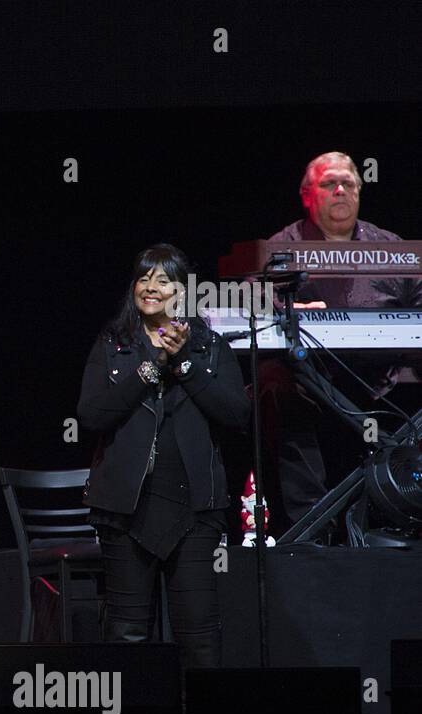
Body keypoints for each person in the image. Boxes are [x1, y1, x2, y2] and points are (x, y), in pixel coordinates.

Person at [78, 244, 250, 668]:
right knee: (128, 633)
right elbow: (91, 415)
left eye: (164, 279)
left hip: (194, 509)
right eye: (144, 277)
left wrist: (184, 364)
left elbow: (236, 415)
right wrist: (151, 367)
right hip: (125, 509)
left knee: (199, 635)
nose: (151, 287)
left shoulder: (210, 348)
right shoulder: (113, 345)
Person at [260, 151, 421, 532]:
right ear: (306, 193)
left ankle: (403, 515)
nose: (340, 191)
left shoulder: (389, 246)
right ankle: (314, 525)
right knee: (271, 384)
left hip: (384, 380)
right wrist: (292, 308)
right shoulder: (282, 246)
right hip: (310, 381)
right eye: (329, 183)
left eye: (348, 183)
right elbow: (255, 299)